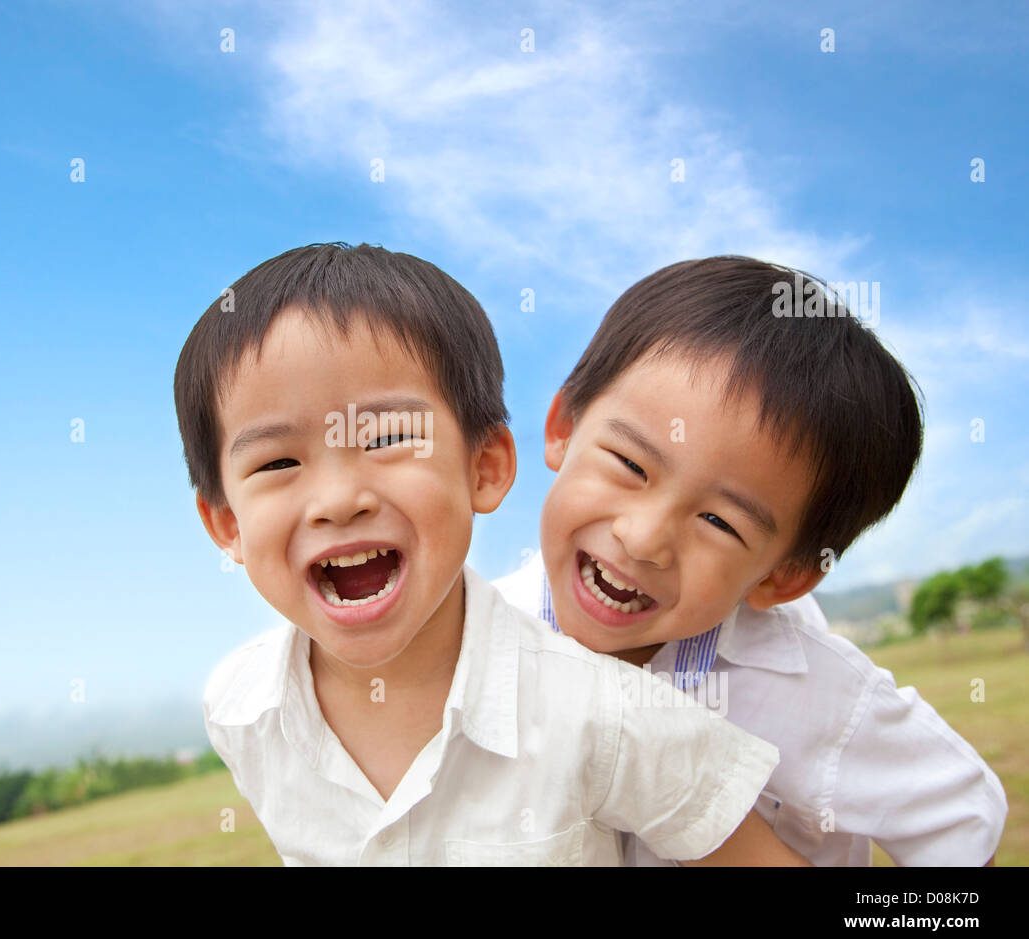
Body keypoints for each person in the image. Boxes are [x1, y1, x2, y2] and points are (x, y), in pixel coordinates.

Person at [174, 242, 807, 866]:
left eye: (388, 437)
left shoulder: (605, 714)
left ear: (485, 467)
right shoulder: (239, 707)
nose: (338, 501)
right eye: (278, 463)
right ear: (227, 523)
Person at [494, 255, 1007, 866]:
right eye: (630, 464)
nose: (644, 539)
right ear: (564, 427)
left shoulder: (812, 697)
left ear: (783, 576)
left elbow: (963, 822)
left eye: (719, 522)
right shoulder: (475, 640)